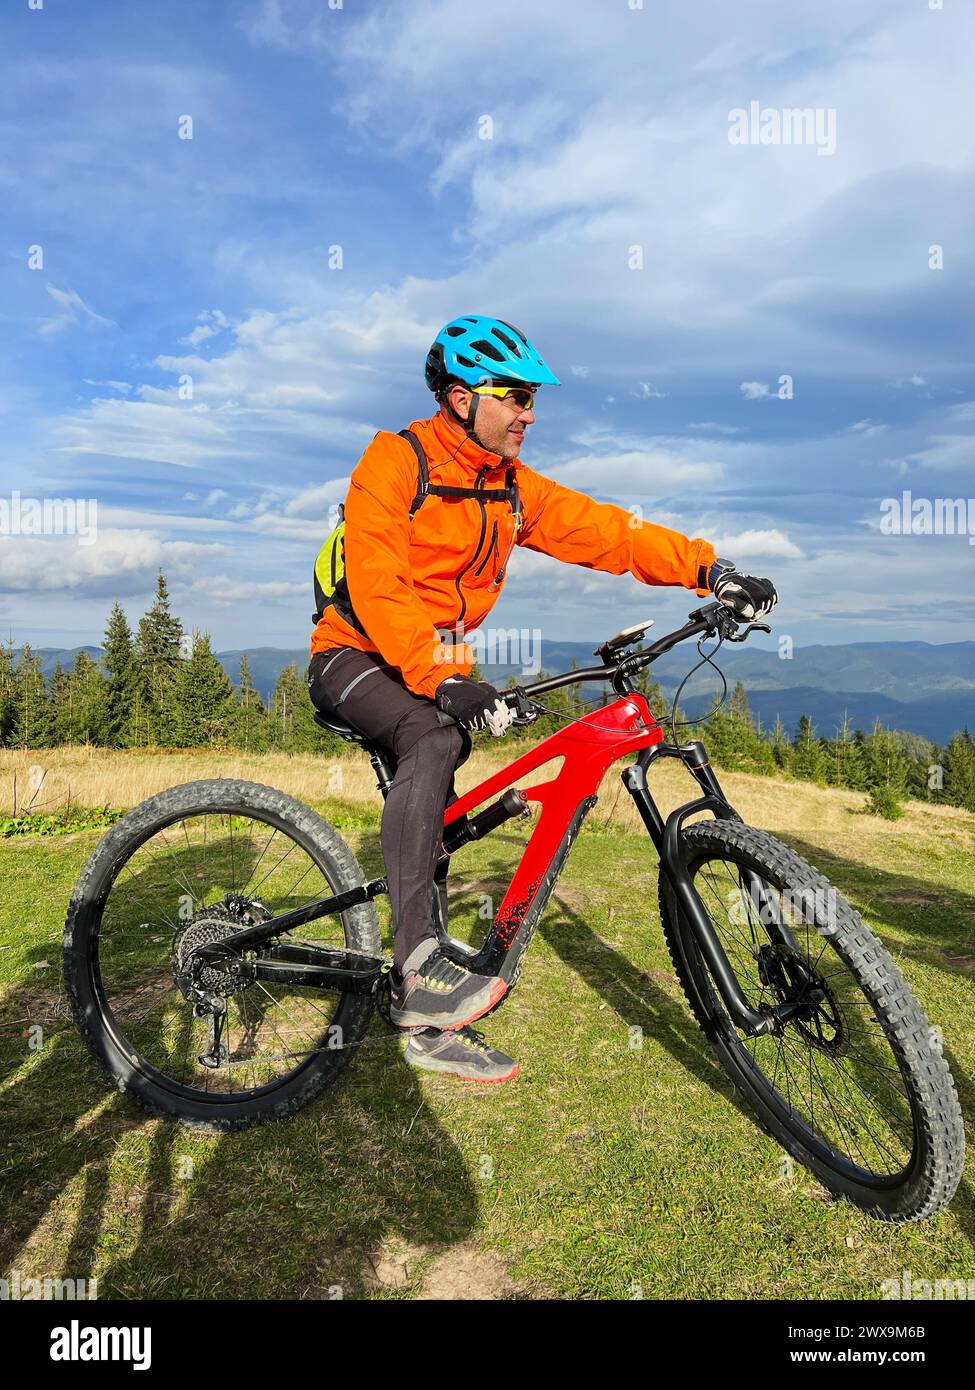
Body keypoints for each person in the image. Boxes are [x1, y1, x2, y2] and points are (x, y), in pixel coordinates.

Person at [308, 314, 777, 1083]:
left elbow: (607, 532)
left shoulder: (509, 487)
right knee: (432, 739)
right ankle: (420, 970)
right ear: (461, 399)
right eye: (515, 396)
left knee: (444, 807)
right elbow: (379, 582)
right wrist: (443, 678)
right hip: (354, 654)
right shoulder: (392, 462)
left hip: (433, 668)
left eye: (531, 398)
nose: (530, 412)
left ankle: (425, 1016)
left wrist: (709, 570)